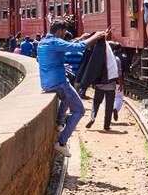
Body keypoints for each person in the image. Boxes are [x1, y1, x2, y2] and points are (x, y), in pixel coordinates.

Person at [38, 21, 107, 155]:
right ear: (59, 31)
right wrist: (95, 36)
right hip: (58, 83)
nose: (64, 35)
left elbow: (69, 44)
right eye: (63, 33)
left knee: (68, 96)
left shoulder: (43, 42)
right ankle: (62, 142)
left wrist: (81, 38)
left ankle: (60, 122)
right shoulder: (55, 43)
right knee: (79, 110)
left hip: (46, 83)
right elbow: (79, 47)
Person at [86, 39, 122, 132]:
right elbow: (119, 74)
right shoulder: (116, 59)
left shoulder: (99, 59)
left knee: (96, 103)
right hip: (111, 86)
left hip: (99, 86)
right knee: (109, 107)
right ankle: (106, 126)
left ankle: (92, 118)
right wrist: (120, 84)